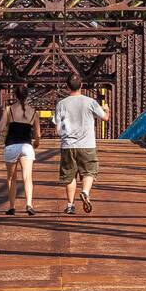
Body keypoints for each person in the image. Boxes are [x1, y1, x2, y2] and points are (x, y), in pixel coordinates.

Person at [53, 72, 109, 215]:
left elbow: (57, 127)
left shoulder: (61, 104)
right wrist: (106, 110)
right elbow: (105, 118)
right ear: (81, 86)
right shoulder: (90, 102)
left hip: (68, 146)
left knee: (70, 176)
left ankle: (70, 205)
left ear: (67, 86)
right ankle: (85, 192)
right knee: (89, 171)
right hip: (87, 145)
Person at [0, 84, 40, 215]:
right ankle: (29, 204)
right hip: (27, 146)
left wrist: (6, 127)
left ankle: (12, 207)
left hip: (11, 146)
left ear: (15, 95)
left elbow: (0, 129)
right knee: (27, 177)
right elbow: (38, 135)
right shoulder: (34, 112)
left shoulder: (9, 109)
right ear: (27, 95)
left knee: (11, 178)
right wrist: (36, 143)